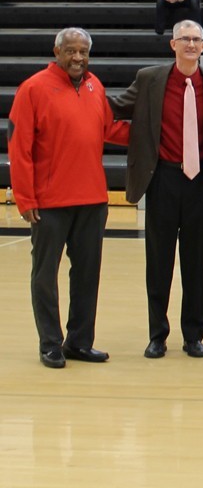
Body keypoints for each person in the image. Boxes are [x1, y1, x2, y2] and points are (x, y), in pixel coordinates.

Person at [109, 20, 203, 359]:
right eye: (184, 39)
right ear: (173, 44)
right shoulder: (149, 78)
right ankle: (157, 334)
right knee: (159, 261)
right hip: (162, 178)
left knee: (197, 262)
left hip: (200, 182)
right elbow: (116, 107)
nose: (191, 44)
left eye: (196, 39)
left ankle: (193, 335)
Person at [9, 27, 127, 368]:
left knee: (87, 274)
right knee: (45, 276)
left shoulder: (95, 85)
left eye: (83, 52)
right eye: (71, 51)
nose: (78, 57)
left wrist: (153, 134)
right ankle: (50, 343)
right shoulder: (32, 89)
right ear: (57, 52)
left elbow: (109, 129)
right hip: (49, 203)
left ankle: (79, 342)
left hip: (92, 199)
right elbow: (19, 148)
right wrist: (26, 198)